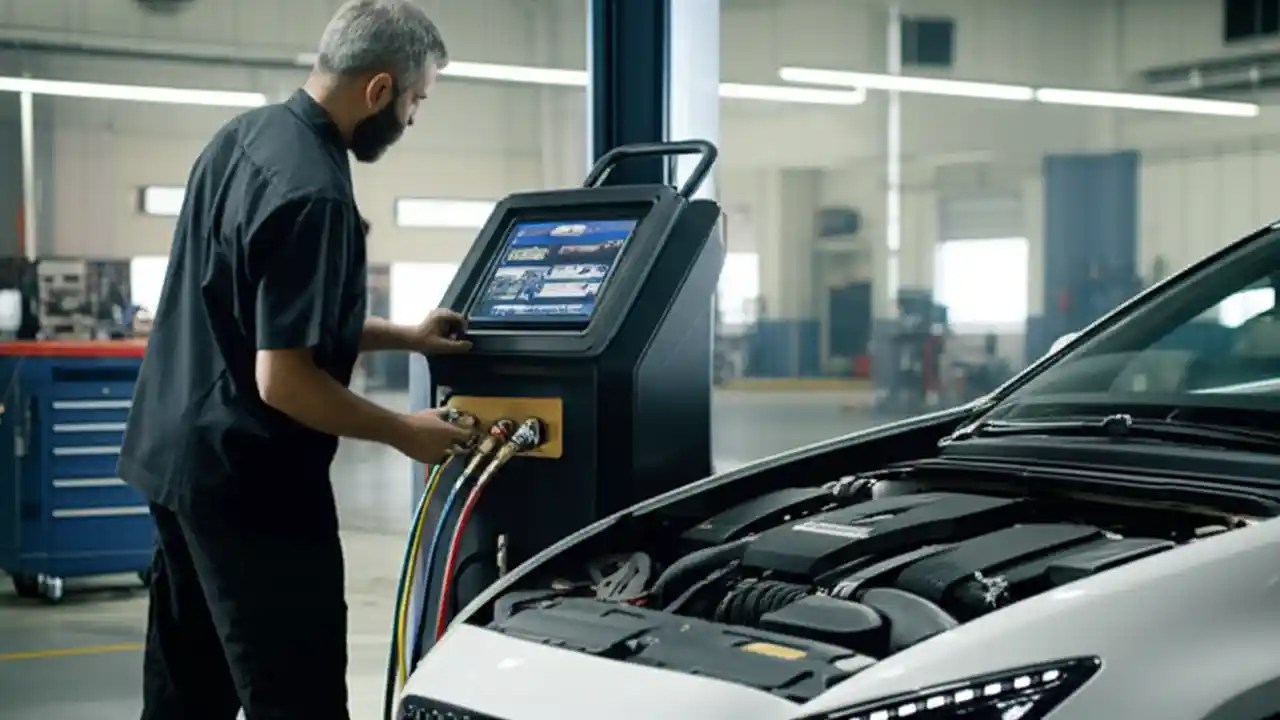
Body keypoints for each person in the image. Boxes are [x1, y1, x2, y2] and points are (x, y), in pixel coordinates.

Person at [116, 2, 469, 718]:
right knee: (298, 696)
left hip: (178, 466)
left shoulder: (245, 137)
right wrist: (404, 431)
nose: (411, 119)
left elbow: (276, 323)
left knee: (188, 694)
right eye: (416, 99)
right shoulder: (315, 192)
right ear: (379, 89)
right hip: (252, 488)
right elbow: (283, 379)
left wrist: (407, 335)